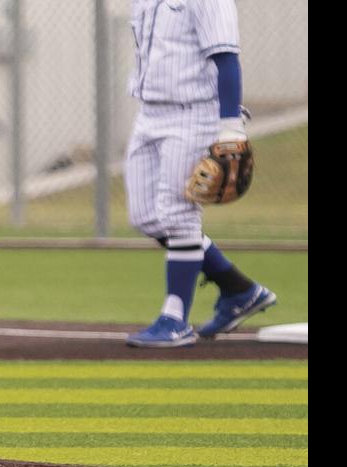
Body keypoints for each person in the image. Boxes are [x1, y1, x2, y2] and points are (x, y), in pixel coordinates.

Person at [123, 0, 276, 348]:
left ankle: (175, 318)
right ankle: (240, 290)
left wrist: (230, 127)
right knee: (146, 217)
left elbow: (226, 58)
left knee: (179, 216)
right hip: (149, 113)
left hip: (193, 112)